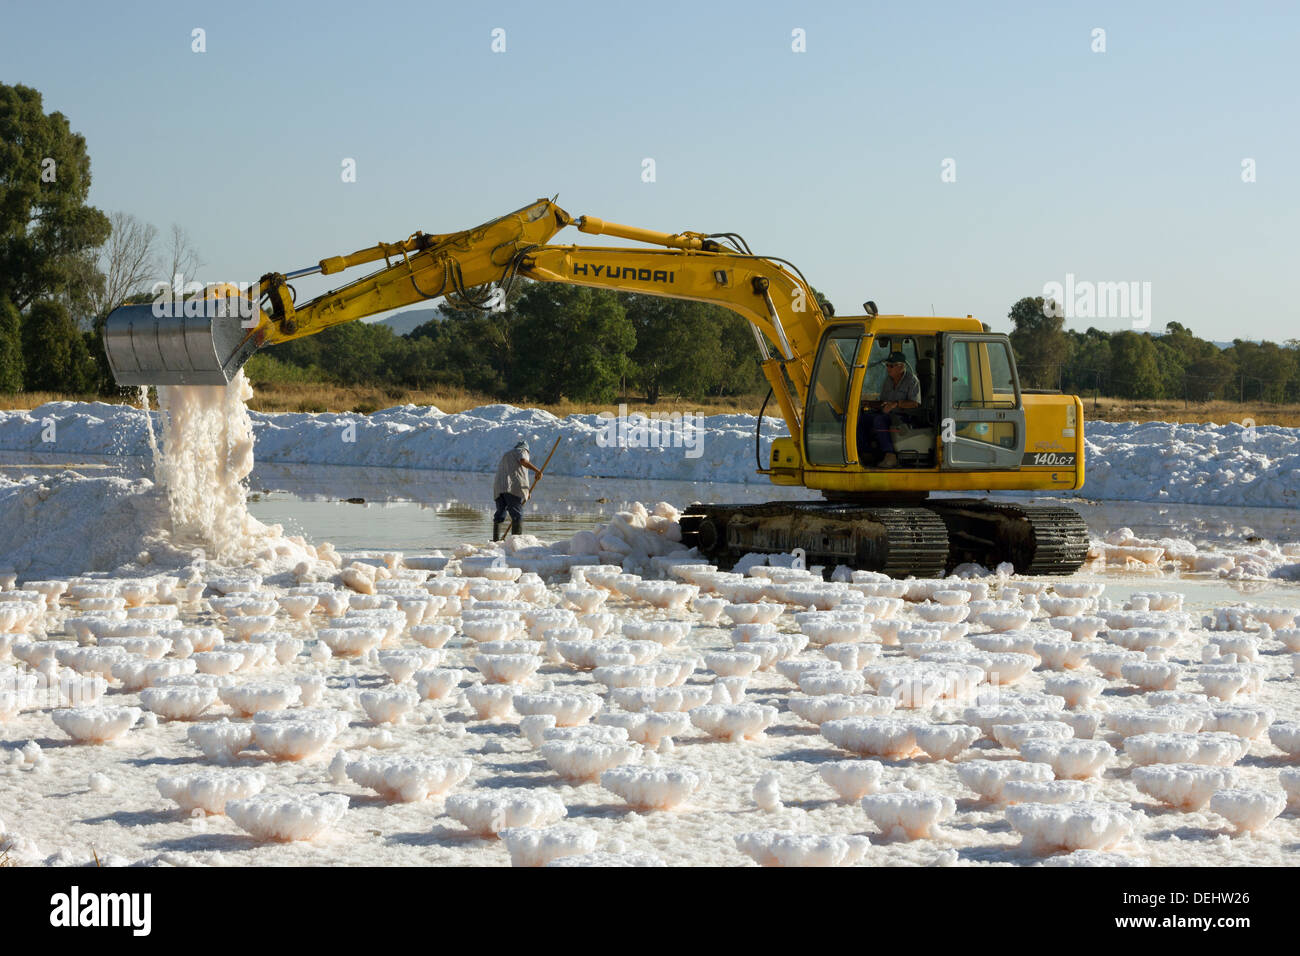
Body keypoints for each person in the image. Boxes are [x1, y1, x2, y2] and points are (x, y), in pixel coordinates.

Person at [862, 350, 921, 468]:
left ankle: (890, 456)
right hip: (887, 414)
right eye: (887, 365)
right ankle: (866, 452)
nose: (888, 368)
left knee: (879, 420)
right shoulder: (888, 381)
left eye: (891, 366)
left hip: (904, 417)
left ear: (901, 366)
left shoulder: (912, 380)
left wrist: (896, 404)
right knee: (862, 419)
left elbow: (915, 403)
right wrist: (867, 403)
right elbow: (883, 401)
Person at [492, 440, 542, 540]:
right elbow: (523, 461)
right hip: (512, 487)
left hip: (499, 487)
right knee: (517, 515)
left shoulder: (507, 454)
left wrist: (526, 491)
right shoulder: (522, 451)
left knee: (500, 514)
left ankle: (495, 540)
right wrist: (537, 471)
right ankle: (516, 542)